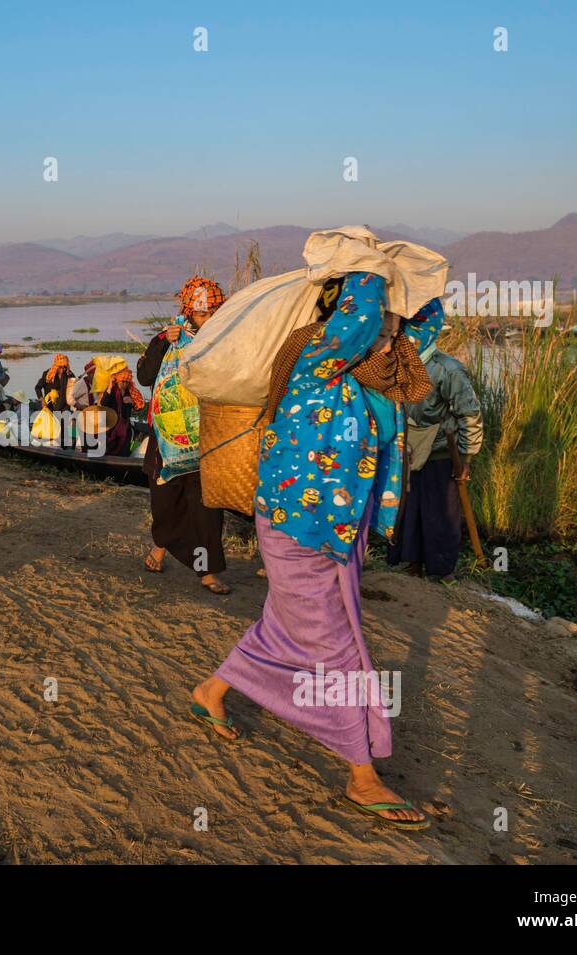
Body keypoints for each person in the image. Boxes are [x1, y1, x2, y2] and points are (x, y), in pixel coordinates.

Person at [191, 271, 442, 832]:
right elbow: (357, 322)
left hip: (341, 528)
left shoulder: (379, 373)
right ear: (348, 313)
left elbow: (427, 326)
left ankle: (211, 689)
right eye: (378, 315)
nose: (387, 327)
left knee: (283, 626)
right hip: (296, 526)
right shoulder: (312, 357)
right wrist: (367, 270)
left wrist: (410, 284)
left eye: (389, 319)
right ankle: (361, 773)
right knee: (335, 645)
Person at [137, 275, 230, 594]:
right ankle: (159, 548)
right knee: (165, 505)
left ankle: (207, 572)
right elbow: (146, 376)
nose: (209, 320)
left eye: (213, 313)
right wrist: (163, 340)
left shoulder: (222, 343)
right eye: (203, 315)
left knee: (207, 513)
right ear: (188, 311)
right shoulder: (167, 340)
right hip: (166, 442)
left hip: (207, 439)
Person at [387, 340, 484, 582]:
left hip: (440, 450)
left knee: (441, 513)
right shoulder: (395, 362)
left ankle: (442, 570)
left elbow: (469, 413)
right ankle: (413, 564)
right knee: (408, 509)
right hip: (404, 448)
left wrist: (467, 457)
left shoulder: (448, 368)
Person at [97, 356, 144, 456]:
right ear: (117, 380)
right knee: (109, 450)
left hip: (124, 427)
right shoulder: (112, 390)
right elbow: (103, 403)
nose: (125, 384)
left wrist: (131, 402)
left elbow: (139, 407)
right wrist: (109, 386)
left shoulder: (130, 392)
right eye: (123, 381)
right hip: (111, 427)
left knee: (124, 450)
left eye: (127, 382)